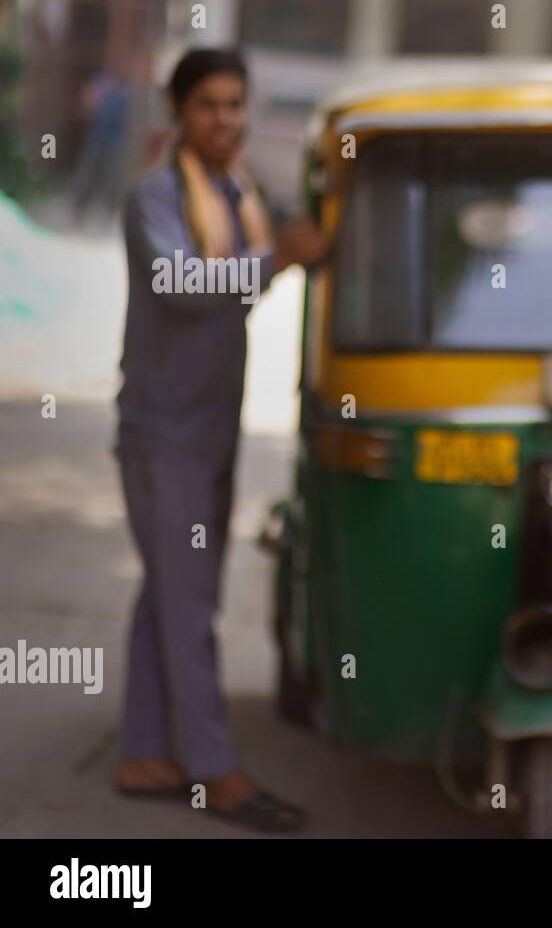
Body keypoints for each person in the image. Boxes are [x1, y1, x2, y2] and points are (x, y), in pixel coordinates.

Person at [112, 48, 327, 832]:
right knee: (189, 599)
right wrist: (276, 260)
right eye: (209, 105)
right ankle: (213, 769)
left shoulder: (238, 194)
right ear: (178, 112)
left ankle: (143, 751)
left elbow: (259, 262)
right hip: (162, 433)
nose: (225, 119)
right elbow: (180, 283)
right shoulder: (155, 199)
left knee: (166, 589)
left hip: (210, 426)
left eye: (236, 104)